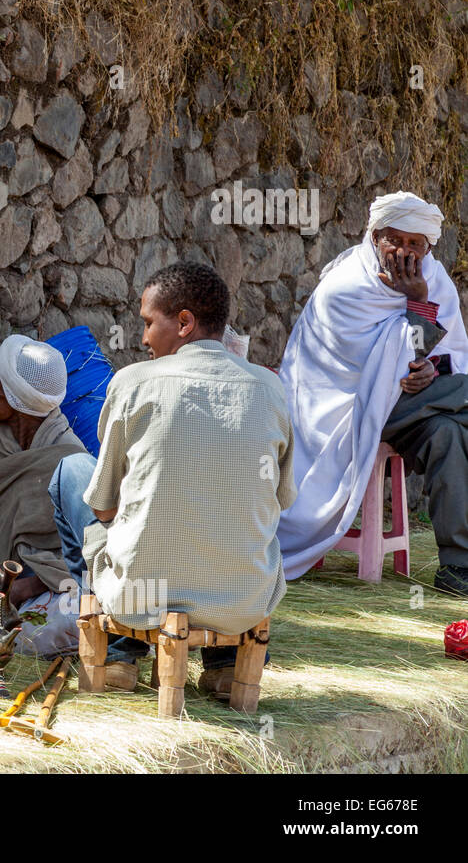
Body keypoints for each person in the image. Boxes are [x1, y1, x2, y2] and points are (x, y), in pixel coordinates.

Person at [51, 262, 295, 696]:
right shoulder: (269, 388)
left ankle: (121, 656)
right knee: (238, 522)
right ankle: (224, 664)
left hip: (138, 599)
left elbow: (103, 505)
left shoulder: (132, 383)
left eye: (148, 323)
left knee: (72, 474)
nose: (143, 338)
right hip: (242, 601)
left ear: (184, 322)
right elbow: (281, 500)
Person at [277, 192, 468, 593]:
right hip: (348, 410)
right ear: (374, 236)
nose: (405, 251)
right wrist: (417, 303)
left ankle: (457, 567)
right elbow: (365, 374)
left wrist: (428, 370)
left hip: (412, 406)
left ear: (429, 246)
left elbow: (447, 355)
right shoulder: (346, 287)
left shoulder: (437, 280)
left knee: (449, 435)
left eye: (416, 243)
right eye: (394, 240)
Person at [0, 335, 87, 610]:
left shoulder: (70, 460)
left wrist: (27, 587)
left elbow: (87, 555)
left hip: (52, 586)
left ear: (16, 399)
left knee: (60, 624)